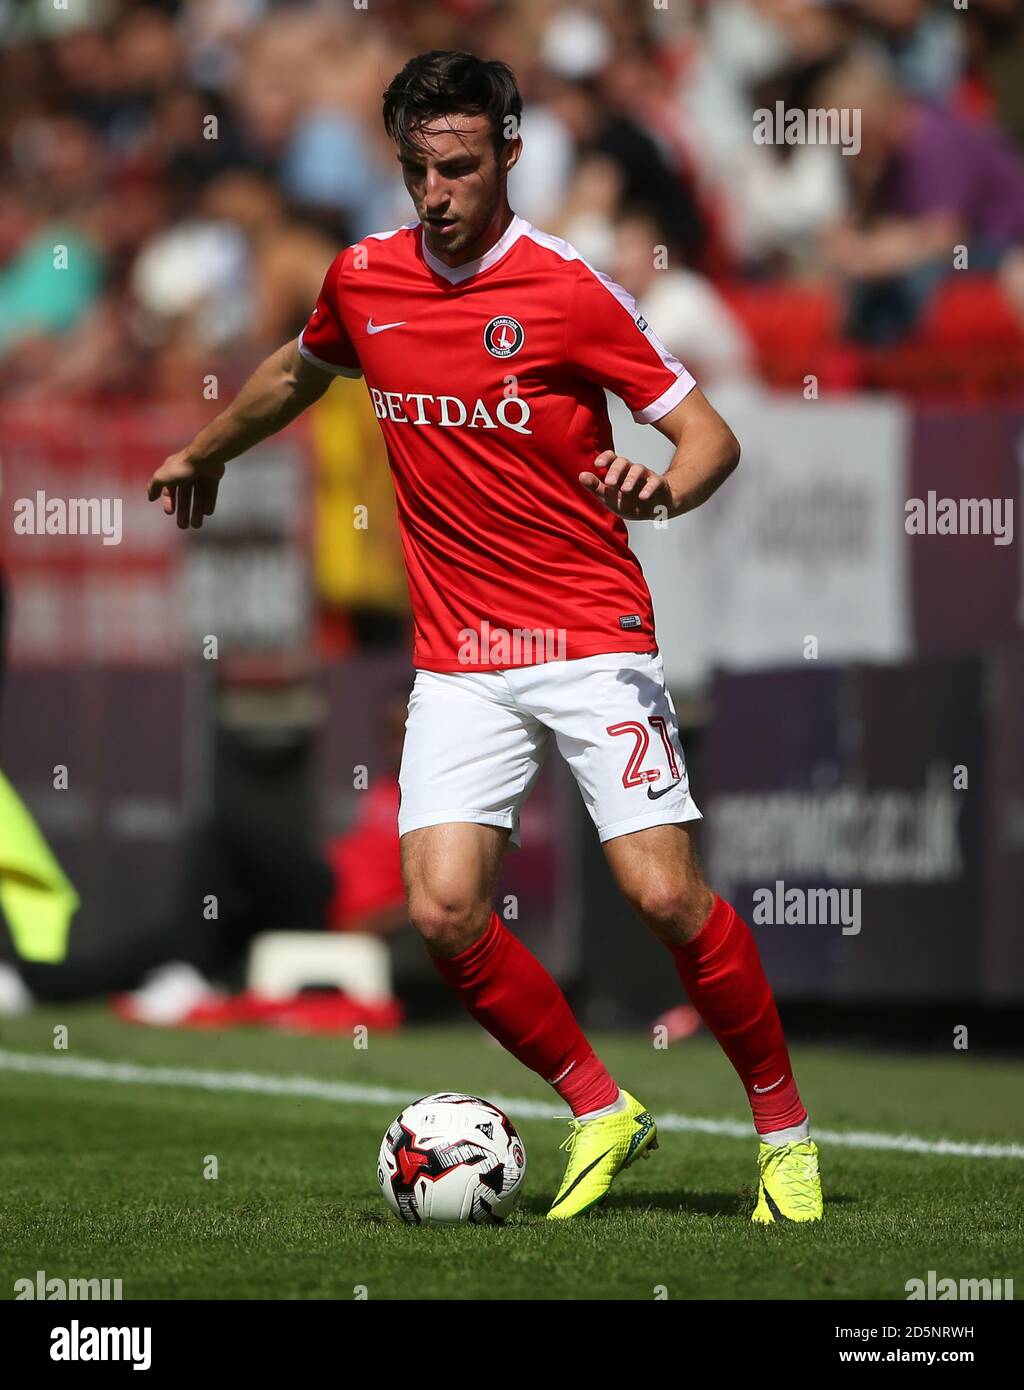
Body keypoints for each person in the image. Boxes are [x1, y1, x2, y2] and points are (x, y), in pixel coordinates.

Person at [147, 50, 822, 1224]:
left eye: (457, 167)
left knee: (662, 896)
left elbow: (711, 436)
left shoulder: (569, 289)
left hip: (589, 631)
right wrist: (205, 450)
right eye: (416, 169)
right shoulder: (365, 279)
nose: (436, 192)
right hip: (460, 653)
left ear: (509, 154)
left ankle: (784, 1133)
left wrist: (661, 489)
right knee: (445, 908)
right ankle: (603, 1106)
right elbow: (297, 375)